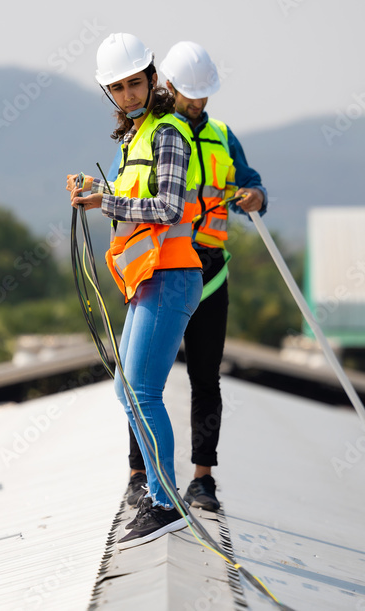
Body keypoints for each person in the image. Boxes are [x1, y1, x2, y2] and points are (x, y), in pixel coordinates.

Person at [67, 32, 202, 549]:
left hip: (170, 277)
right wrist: (95, 192)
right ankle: (155, 492)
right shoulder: (135, 138)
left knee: (141, 392)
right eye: (117, 88)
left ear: (151, 79)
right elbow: (130, 199)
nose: (127, 94)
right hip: (147, 280)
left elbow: (167, 209)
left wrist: (105, 203)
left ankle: (166, 502)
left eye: (134, 83)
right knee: (128, 391)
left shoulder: (166, 133)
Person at [123, 41, 267, 512]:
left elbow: (252, 182)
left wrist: (254, 197)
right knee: (141, 377)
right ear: (168, 86)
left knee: (205, 377)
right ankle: (139, 472)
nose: (198, 103)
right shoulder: (157, 131)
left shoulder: (224, 135)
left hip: (210, 268)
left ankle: (202, 480)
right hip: (161, 263)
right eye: (190, 95)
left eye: (204, 95)